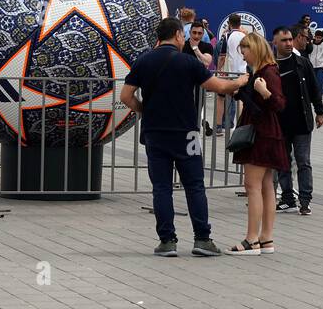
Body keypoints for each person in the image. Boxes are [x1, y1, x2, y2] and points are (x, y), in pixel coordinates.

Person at [119, 16, 245, 257]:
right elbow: (218, 87)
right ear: (178, 35)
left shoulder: (143, 61)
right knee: (194, 186)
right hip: (186, 134)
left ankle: (167, 241)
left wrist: (143, 110)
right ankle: (202, 239)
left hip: (155, 133)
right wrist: (240, 80)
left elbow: (126, 95)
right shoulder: (188, 62)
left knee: (162, 188)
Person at [227, 31, 287, 255]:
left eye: (245, 50)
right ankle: (265, 238)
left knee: (253, 186)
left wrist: (264, 91)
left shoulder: (267, 72)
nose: (243, 55)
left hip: (261, 134)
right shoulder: (263, 71)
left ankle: (252, 239)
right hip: (266, 132)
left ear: (255, 49)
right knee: (265, 187)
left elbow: (278, 103)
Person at [274, 26, 323, 216]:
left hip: (302, 122)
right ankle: (287, 198)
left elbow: (314, 89)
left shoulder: (302, 63)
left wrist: (319, 111)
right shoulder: (271, 65)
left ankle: (305, 200)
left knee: (303, 161)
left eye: (289, 40)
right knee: (283, 161)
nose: (288, 43)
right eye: (284, 40)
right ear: (275, 43)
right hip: (279, 122)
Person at [215, 14, 247, 137]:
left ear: (229, 23)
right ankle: (240, 127)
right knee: (241, 99)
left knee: (221, 97)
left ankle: (218, 127)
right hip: (242, 73)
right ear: (240, 23)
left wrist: (218, 70)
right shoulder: (245, 36)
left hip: (229, 73)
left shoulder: (227, 36)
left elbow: (222, 56)